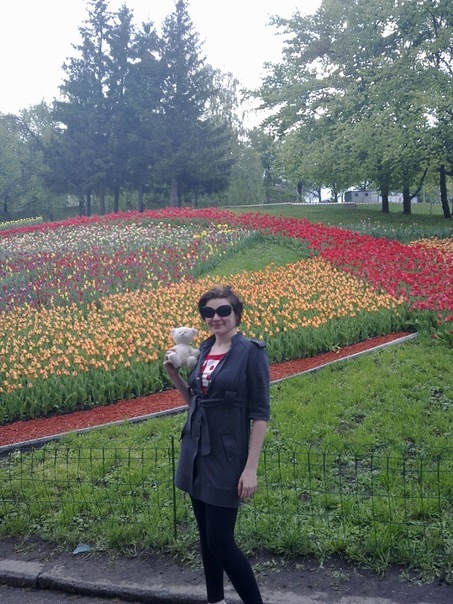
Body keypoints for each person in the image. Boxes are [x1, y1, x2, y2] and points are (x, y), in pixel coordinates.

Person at [163, 284, 270, 604]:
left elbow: (260, 414)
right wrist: (174, 375)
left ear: (236, 314)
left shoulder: (250, 352)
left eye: (224, 310)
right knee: (207, 539)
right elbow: (196, 401)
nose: (216, 317)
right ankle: (215, 600)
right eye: (208, 312)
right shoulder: (205, 348)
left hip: (226, 456)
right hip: (195, 450)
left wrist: (250, 469)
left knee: (221, 542)